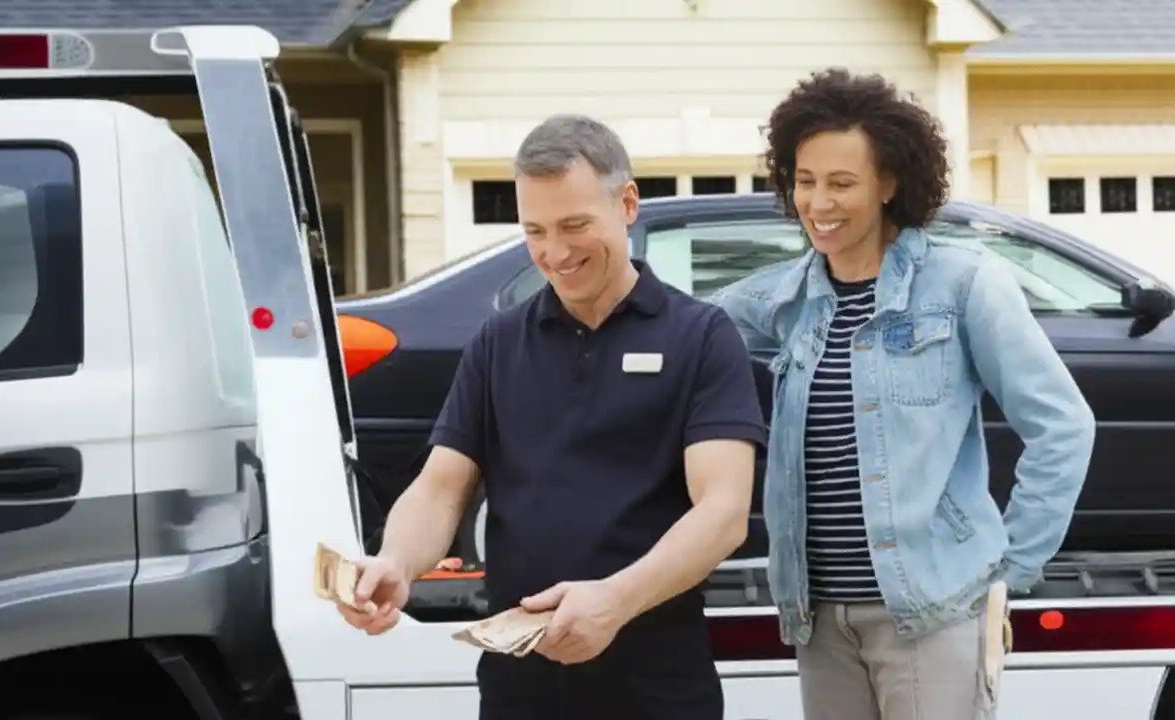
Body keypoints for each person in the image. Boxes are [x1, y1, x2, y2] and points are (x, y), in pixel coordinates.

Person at [336, 113, 768, 719]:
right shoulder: (498, 343)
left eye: (574, 225)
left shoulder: (700, 337)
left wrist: (614, 602)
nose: (554, 252)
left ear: (627, 204)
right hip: (522, 689)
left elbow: (722, 513)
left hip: (658, 686)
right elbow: (440, 489)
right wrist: (395, 564)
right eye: (534, 231)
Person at [712, 67, 1096, 719]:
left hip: (931, 612)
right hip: (818, 618)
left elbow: (1063, 427)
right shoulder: (782, 298)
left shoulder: (964, 284)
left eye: (841, 183)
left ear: (890, 183)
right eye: (805, 182)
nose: (818, 203)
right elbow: (673, 330)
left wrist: (1009, 567)